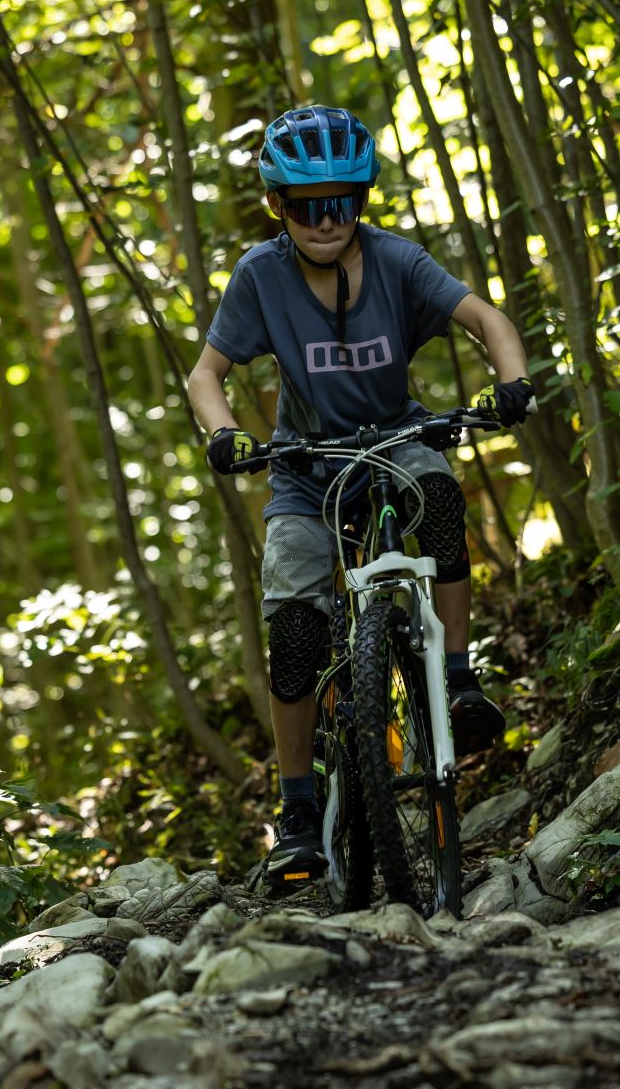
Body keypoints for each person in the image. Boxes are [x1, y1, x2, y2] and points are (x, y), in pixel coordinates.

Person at [183, 104, 538, 885]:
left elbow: (484, 318)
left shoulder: (395, 260)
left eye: (341, 203)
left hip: (397, 437)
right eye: (307, 206)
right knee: (297, 630)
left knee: (440, 495)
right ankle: (300, 809)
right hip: (305, 469)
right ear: (278, 206)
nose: (325, 220)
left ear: (362, 202)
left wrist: (512, 383)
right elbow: (206, 374)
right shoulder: (260, 274)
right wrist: (223, 433)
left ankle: (456, 674)